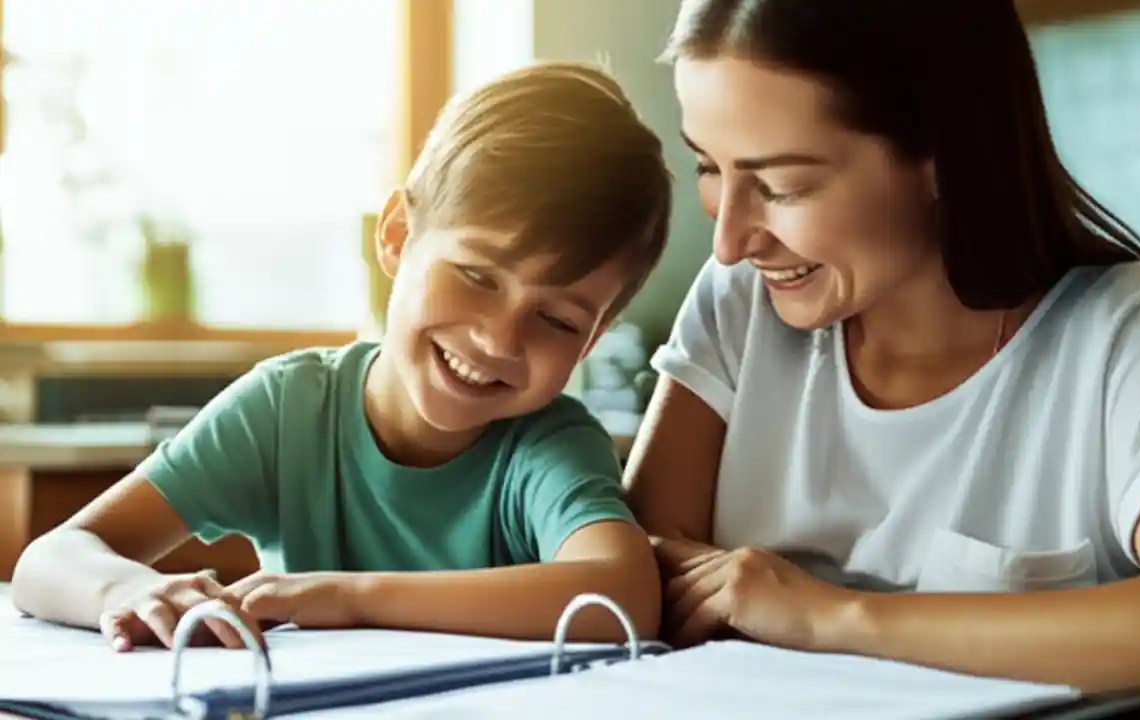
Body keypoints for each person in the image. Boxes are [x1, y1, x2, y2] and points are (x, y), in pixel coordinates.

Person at [624, 0, 1140, 706]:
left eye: (784, 186)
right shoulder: (739, 302)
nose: (730, 241)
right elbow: (629, 570)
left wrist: (830, 617)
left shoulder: (1130, 338)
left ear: (945, 150)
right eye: (708, 168)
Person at [13, 62, 671, 650]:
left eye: (556, 319)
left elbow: (625, 595)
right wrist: (122, 591)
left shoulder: (547, 445)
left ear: (593, 337)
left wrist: (353, 598)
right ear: (396, 235)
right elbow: (51, 560)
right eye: (476, 276)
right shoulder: (287, 411)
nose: (500, 341)